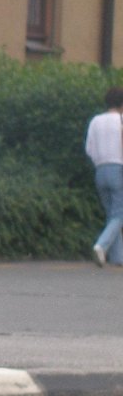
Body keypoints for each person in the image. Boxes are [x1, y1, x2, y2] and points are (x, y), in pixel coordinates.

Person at [85, 86, 123, 267]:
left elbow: (89, 148)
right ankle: (101, 245)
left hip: (100, 170)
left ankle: (118, 257)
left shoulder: (95, 121)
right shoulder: (120, 120)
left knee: (112, 214)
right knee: (120, 213)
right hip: (118, 167)